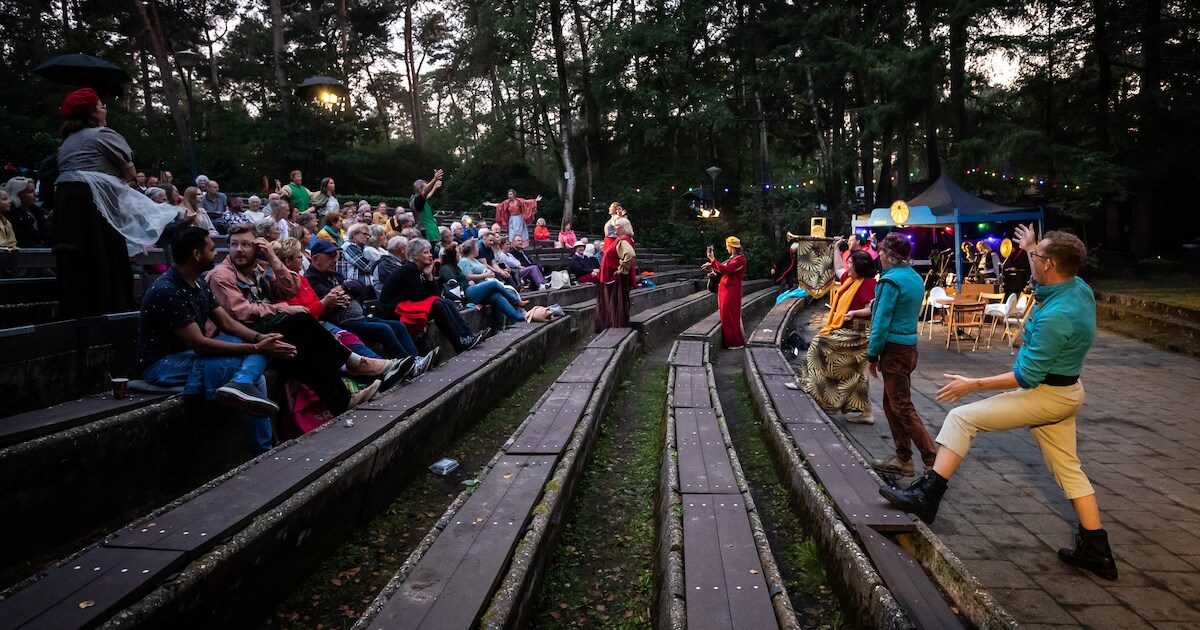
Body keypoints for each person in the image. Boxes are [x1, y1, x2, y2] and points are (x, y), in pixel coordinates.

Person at [880, 226, 1117, 580]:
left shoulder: (1057, 316)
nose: (1030, 257)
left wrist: (973, 384)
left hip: (1048, 396)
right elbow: (1045, 285)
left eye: (1036, 256)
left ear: (1051, 264)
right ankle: (1097, 551)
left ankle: (927, 497)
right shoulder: (1077, 288)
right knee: (1068, 469)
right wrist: (1033, 247)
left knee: (961, 418)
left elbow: (1026, 377)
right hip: (1066, 391)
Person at [208, 224, 402, 414]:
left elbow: (290, 288)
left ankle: (344, 401)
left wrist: (273, 259)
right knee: (301, 321)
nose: (238, 250)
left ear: (258, 247)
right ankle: (355, 363)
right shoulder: (222, 275)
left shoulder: (260, 269)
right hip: (238, 337)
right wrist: (286, 308)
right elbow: (240, 313)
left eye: (245, 245)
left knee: (308, 355)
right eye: (234, 244)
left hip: (264, 332)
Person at [138, 227, 290, 452]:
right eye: (211, 248)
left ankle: (242, 383)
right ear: (196, 255)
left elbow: (227, 324)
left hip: (190, 356)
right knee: (253, 367)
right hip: (163, 365)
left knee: (255, 354)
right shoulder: (167, 290)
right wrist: (257, 346)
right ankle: (263, 448)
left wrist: (261, 337)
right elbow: (198, 342)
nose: (217, 253)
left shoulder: (198, 284)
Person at [52, 88, 177, 317]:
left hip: (66, 201)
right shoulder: (102, 134)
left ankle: (80, 307)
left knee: (79, 255)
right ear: (91, 112)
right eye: (101, 105)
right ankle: (112, 304)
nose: (104, 108)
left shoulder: (67, 142)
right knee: (104, 250)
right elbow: (130, 172)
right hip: (92, 201)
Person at [863, 233, 936, 477]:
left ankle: (933, 464)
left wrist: (872, 354)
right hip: (909, 347)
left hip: (893, 350)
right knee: (891, 403)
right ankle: (902, 457)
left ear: (892, 256)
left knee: (902, 406)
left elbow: (881, 322)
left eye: (882, 251)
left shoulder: (889, 281)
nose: (879, 255)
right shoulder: (914, 278)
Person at [301, 239, 432, 374]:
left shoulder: (335, 276)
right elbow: (331, 298)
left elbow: (358, 284)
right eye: (330, 256)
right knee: (384, 329)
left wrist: (345, 287)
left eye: (336, 256)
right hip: (342, 323)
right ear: (316, 259)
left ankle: (415, 359)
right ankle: (408, 366)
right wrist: (344, 292)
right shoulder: (312, 280)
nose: (335, 260)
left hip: (359, 317)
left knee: (398, 326)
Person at [786, 247, 877, 422]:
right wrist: (835, 248)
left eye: (850, 263)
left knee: (819, 343)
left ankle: (810, 384)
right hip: (848, 327)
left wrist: (854, 313)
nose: (847, 266)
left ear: (859, 267)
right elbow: (838, 268)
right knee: (857, 371)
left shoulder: (868, 284)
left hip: (858, 333)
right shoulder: (851, 279)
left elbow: (869, 308)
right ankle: (867, 413)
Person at [378, 238, 489, 354]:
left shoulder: (419, 270)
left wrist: (429, 276)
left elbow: (433, 297)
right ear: (415, 256)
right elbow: (421, 298)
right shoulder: (409, 270)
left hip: (408, 306)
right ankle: (458, 343)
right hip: (395, 311)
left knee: (447, 302)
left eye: (430, 252)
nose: (430, 256)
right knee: (437, 306)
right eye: (425, 252)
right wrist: (428, 279)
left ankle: (467, 335)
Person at [454, 239, 528, 325]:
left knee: (497, 296)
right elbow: (467, 276)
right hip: (470, 291)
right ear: (472, 249)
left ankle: (516, 317)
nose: (479, 249)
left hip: (482, 286)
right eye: (477, 247)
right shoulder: (464, 261)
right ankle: (516, 302)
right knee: (494, 284)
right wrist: (485, 275)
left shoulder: (474, 260)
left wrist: (489, 273)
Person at [704, 236, 747, 349]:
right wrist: (712, 264)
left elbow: (726, 270)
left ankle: (734, 342)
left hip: (731, 290)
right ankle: (730, 341)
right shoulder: (733, 258)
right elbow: (722, 267)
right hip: (725, 289)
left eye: (728, 246)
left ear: (732, 247)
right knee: (725, 315)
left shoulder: (740, 260)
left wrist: (713, 260)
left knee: (730, 316)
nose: (726, 248)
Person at [595, 217, 636, 332]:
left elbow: (630, 254)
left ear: (623, 228)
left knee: (614, 306)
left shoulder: (623, 241)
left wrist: (622, 269)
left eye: (616, 226)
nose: (614, 228)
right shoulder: (622, 240)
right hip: (610, 279)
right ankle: (613, 327)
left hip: (613, 280)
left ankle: (615, 329)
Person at [340, 222, 378, 288]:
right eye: (365, 234)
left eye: (369, 235)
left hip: (363, 284)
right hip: (353, 284)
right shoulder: (349, 246)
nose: (368, 237)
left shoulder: (361, 248)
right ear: (354, 234)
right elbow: (366, 267)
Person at [411, 169, 444, 241]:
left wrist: (434, 187)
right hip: (425, 232)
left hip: (428, 230)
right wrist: (434, 179)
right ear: (420, 189)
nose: (429, 188)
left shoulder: (417, 200)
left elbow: (428, 195)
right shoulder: (418, 199)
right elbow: (425, 192)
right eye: (427, 187)